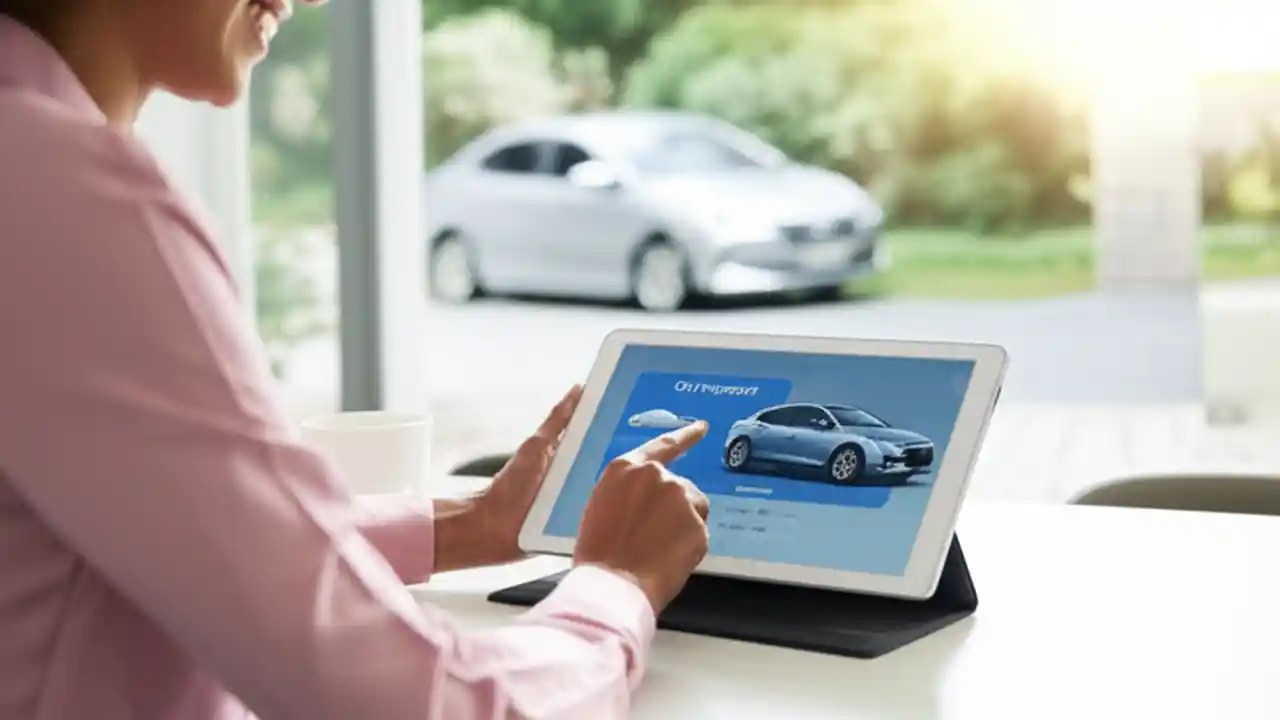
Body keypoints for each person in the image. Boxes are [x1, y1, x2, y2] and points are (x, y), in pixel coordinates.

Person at [0, 1, 714, 718]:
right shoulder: (62, 193)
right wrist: (617, 586)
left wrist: (473, 524)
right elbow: (406, 706)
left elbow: (160, 526)